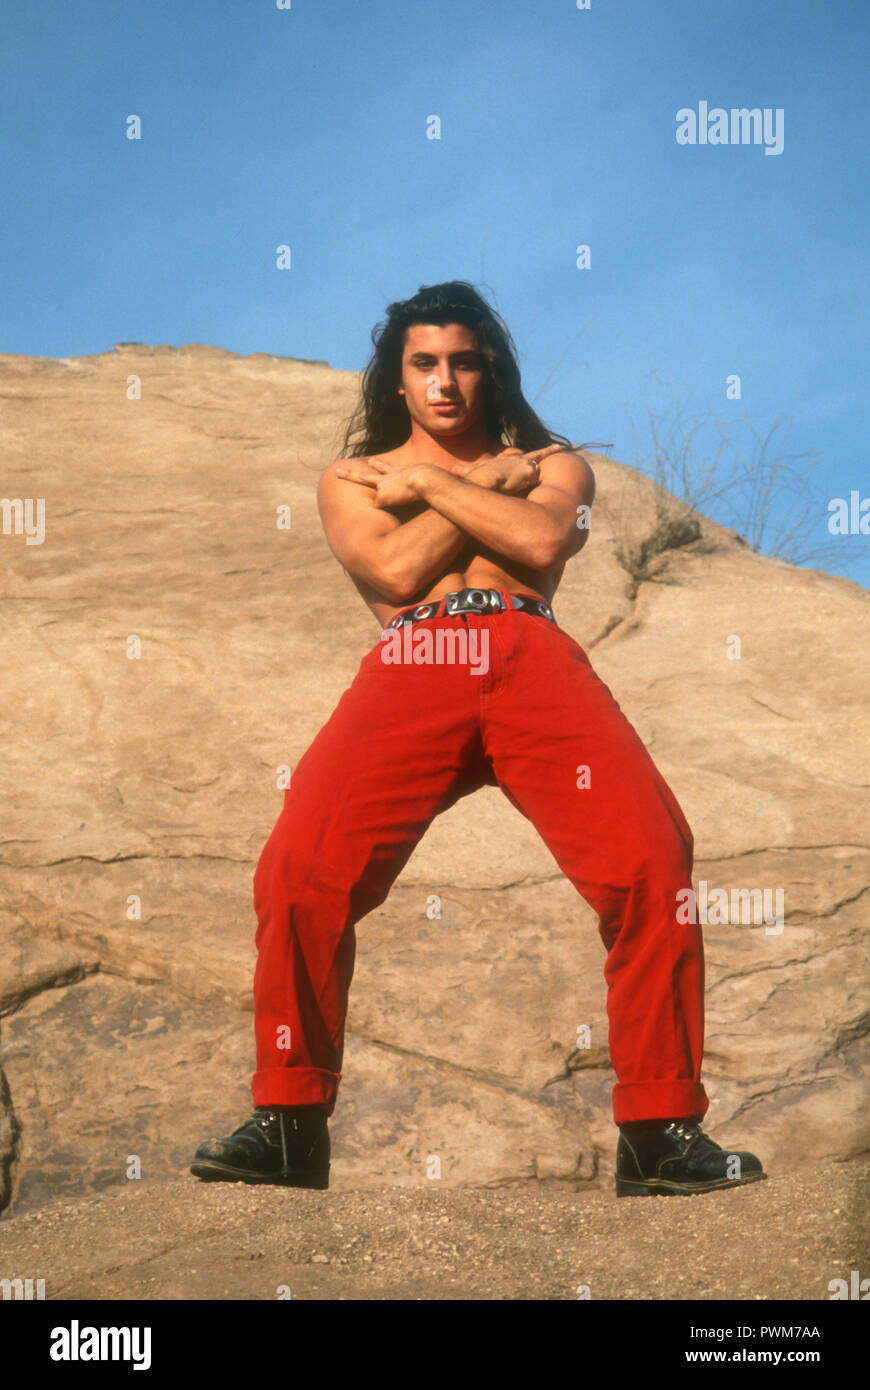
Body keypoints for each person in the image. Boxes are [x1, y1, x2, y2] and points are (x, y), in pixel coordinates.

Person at [190, 281, 766, 1197]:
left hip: (529, 651)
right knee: (298, 873)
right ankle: (289, 1123)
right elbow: (390, 565)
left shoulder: (555, 465)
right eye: (425, 365)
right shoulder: (352, 477)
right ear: (397, 380)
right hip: (415, 657)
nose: (446, 382)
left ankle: (659, 1131)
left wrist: (430, 487)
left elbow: (542, 544)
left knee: (653, 859)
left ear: (487, 368)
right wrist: (462, 484)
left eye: (462, 361)